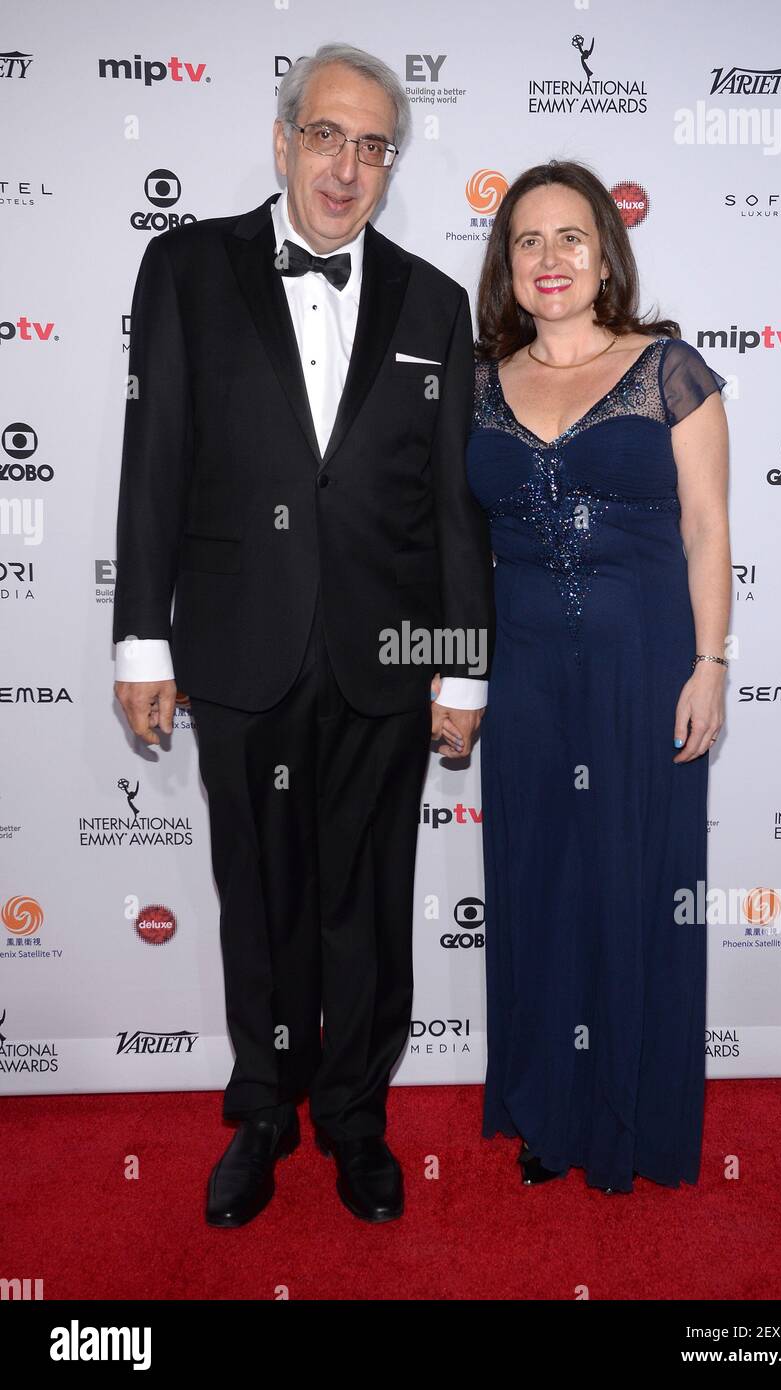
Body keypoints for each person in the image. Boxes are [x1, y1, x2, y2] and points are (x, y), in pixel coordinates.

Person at [112, 43, 493, 1226]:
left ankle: (354, 1118)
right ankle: (263, 1112)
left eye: (371, 145)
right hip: (237, 645)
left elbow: (450, 508)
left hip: (387, 660)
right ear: (280, 139)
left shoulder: (434, 301)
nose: (345, 165)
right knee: (260, 898)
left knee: (369, 904)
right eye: (325, 134)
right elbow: (155, 460)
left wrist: (462, 663)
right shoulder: (184, 267)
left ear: (390, 164)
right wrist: (141, 641)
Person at [461, 159, 729, 1194]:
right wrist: (455, 677)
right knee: (538, 887)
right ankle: (549, 1108)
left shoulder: (668, 369)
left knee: (635, 882)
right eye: (526, 240)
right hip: (524, 677)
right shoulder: (478, 385)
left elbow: (707, 528)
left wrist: (709, 662)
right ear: (507, 265)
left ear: (603, 252)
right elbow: (449, 550)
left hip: (643, 668)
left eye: (569, 235)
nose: (549, 257)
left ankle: (632, 1110)